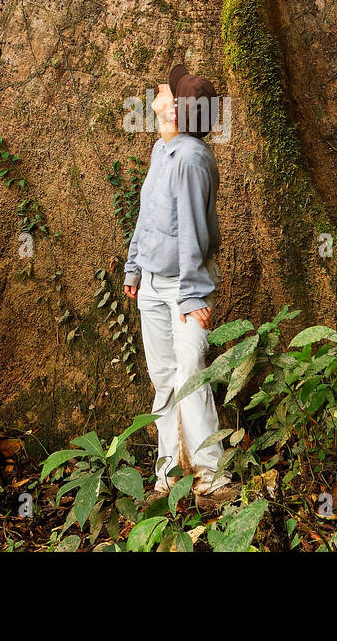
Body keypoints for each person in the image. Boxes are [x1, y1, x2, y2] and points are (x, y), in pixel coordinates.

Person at [123, 64, 237, 507]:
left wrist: (192, 295)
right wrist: (134, 269)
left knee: (191, 376)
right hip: (152, 286)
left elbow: (192, 231)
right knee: (165, 380)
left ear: (173, 110)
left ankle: (213, 479)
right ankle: (169, 477)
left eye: (165, 91)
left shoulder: (190, 158)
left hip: (183, 290)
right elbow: (147, 216)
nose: (158, 91)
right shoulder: (162, 148)